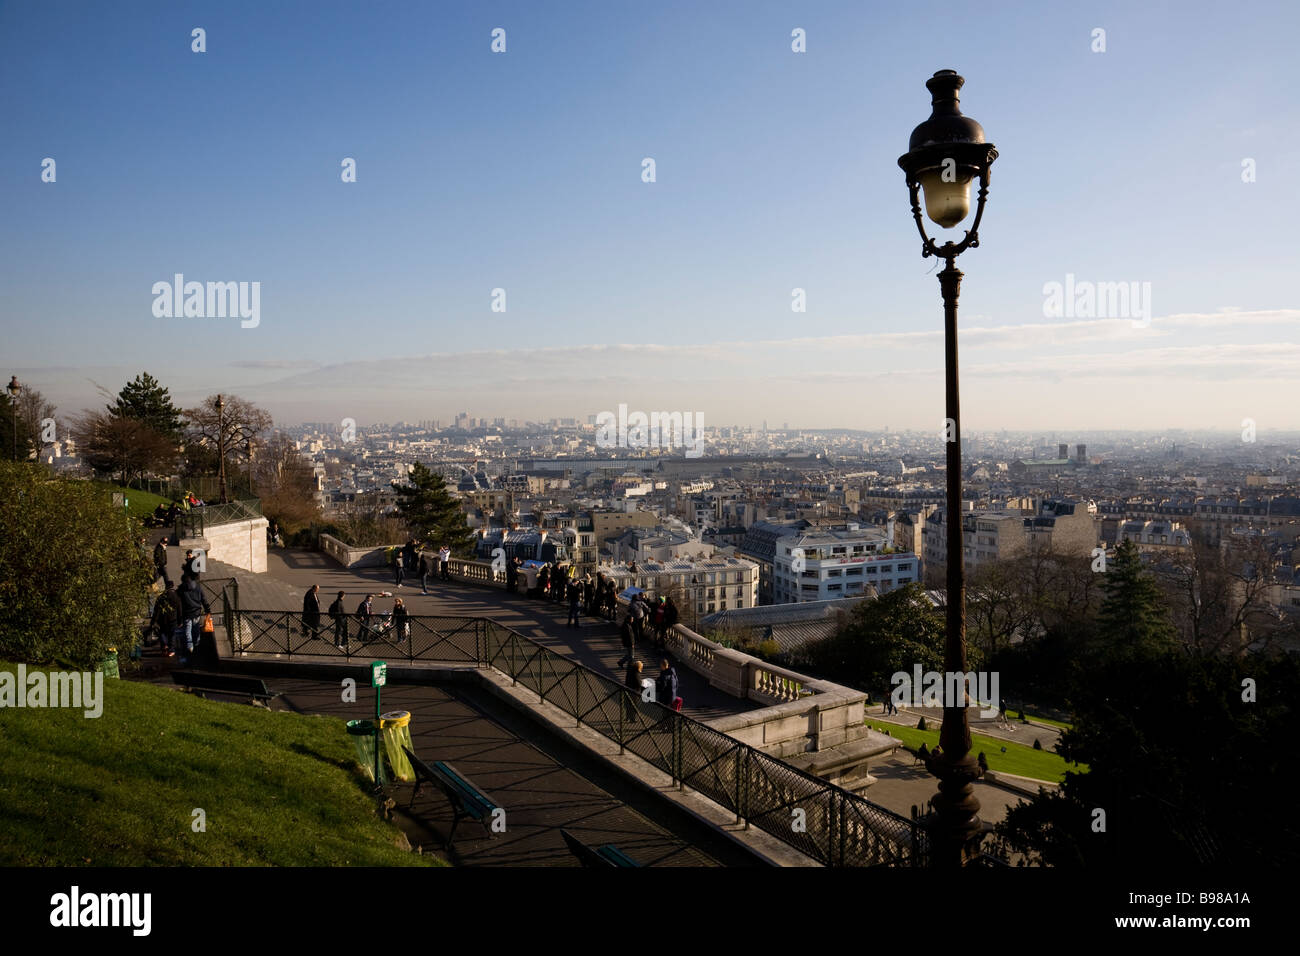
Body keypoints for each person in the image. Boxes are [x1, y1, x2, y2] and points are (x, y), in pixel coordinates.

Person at [176, 571, 210, 665]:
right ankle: (196, 645)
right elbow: (203, 599)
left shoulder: (181, 589)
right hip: (197, 612)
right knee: (196, 629)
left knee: (187, 631)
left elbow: (178, 603)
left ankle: (190, 648)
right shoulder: (198, 587)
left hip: (187, 613)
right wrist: (207, 609)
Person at [150, 581, 180, 653]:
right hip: (173, 618)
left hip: (163, 619)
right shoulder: (176, 596)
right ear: (172, 587)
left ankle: (165, 646)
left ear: (165, 587)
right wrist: (180, 620)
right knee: (172, 634)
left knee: (162, 632)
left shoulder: (161, 597)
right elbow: (179, 609)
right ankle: (171, 650)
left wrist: (154, 621)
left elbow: (157, 610)